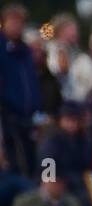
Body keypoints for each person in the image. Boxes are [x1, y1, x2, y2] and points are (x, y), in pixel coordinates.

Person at [0, 3, 40, 178]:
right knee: (15, 163)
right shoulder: (2, 48)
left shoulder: (26, 52)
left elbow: (32, 83)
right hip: (8, 116)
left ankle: (38, 188)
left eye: (20, 22)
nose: (17, 25)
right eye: (13, 21)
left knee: (36, 160)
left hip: (28, 117)